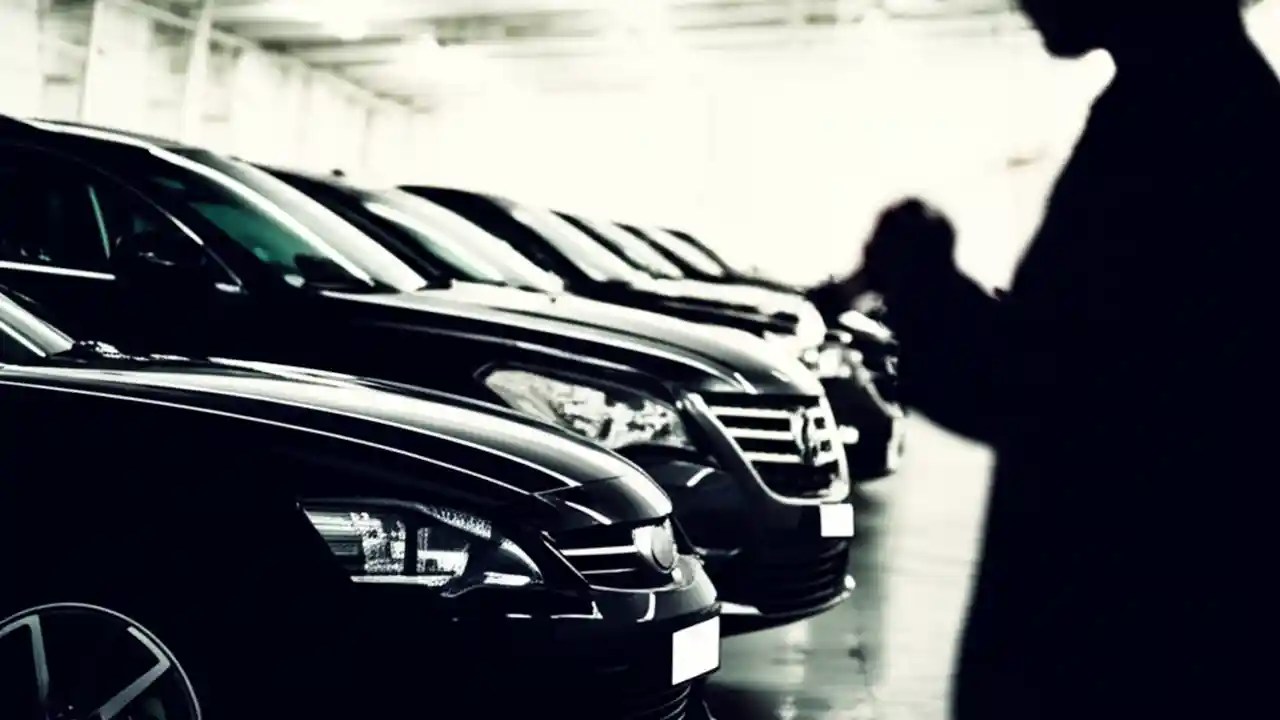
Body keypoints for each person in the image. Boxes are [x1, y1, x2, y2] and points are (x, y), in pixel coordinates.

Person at [853, 1, 1280, 718]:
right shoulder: (1200, 112)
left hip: (1127, 644)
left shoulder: (1177, 140)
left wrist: (920, 284)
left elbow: (1054, 400)